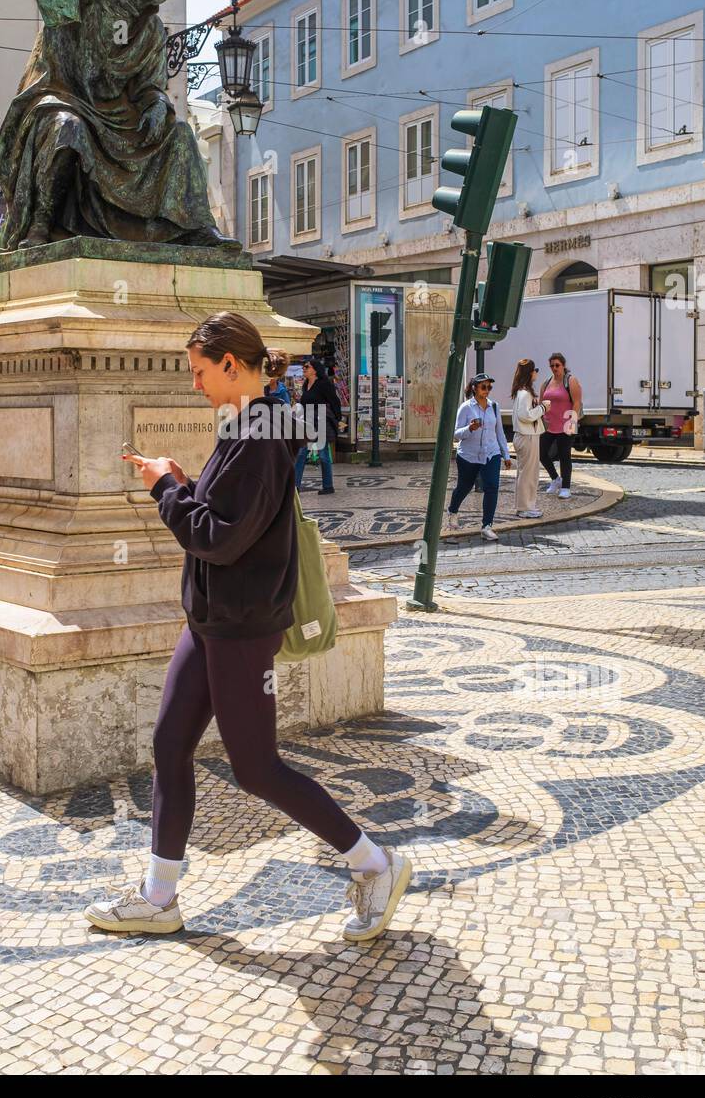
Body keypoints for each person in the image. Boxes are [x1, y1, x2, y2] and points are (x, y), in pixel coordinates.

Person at [83, 311, 411, 943]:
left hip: (239, 624)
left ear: (231, 364)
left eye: (200, 372)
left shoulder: (260, 437)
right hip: (209, 618)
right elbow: (225, 515)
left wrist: (163, 492)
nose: (196, 385)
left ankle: (377, 863)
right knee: (169, 744)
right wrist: (182, 482)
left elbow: (218, 538)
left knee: (257, 769)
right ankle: (158, 897)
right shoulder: (247, 428)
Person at [0, 0, 230, 250]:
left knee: (179, 135)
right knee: (67, 128)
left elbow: (149, 85)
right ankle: (40, 226)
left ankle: (193, 226)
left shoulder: (152, 30)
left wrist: (157, 104)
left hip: (119, 118)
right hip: (64, 95)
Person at [447, 374, 512, 542]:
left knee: (491, 487)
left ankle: (487, 526)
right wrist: (470, 428)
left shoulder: (494, 407)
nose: (487, 390)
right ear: (475, 388)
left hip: (491, 453)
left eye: (489, 387)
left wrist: (506, 454)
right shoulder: (466, 407)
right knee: (464, 486)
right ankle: (453, 511)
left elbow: (499, 432)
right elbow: (455, 434)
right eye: (484, 387)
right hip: (469, 455)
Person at [539, 352, 583, 500]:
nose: (554, 368)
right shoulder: (546, 383)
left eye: (557, 365)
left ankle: (566, 488)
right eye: (552, 365)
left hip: (566, 423)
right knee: (542, 454)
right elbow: (541, 403)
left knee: (565, 456)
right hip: (549, 424)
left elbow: (577, 402)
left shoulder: (570, 380)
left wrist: (572, 421)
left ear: (563, 365)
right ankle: (556, 479)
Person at [294, 357, 341, 495]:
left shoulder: (324, 383)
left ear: (314, 370)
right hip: (307, 420)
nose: (304, 369)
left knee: (323, 454)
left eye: (306, 367)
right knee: (301, 453)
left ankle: (328, 486)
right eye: (303, 367)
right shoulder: (305, 384)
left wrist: (337, 419)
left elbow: (334, 401)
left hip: (320, 419)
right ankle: (295, 486)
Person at [511, 359, 548, 519]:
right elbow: (525, 415)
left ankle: (525, 506)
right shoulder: (525, 393)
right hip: (528, 436)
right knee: (529, 473)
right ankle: (526, 507)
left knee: (525, 472)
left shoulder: (522, 392)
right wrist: (543, 408)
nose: (536, 373)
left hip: (526, 435)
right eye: (535, 369)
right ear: (529, 372)